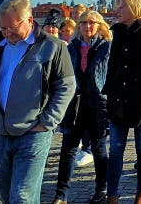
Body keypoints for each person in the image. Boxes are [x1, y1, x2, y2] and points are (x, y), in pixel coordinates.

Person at [0, 0, 76, 204]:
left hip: (33, 132)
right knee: (8, 196)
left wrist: (47, 121)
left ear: (29, 21)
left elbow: (67, 86)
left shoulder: (52, 46)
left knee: (22, 197)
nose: (7, 33)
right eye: (2, 28)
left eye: (12, 28)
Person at [103, 0, 141, 204]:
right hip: (119, 100)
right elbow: (112, 65)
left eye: (121, 7)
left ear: (133, 9)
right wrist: (110, 90)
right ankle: (112, 194)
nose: (117, 10)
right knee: (115, 150)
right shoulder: (118, 33)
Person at [52, 11, 112, 204]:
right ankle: (61, 194)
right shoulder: (72, 47)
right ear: (79, 26)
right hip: (75, 104)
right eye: (84, 23)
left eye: (92, 22)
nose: (88, 26)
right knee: (68, 149)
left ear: (99, 25)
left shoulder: (107, 47)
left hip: (97, 104)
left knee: (99, 149)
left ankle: (102, 189)